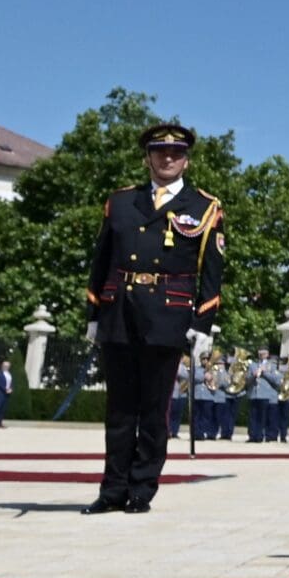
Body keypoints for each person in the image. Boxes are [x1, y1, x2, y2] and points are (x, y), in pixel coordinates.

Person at [81, 122, 225, 513]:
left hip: (168, 315)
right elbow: (101, 260)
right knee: (120, 409)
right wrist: (94, 312)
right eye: (159, 152)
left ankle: (142, 489)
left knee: (153, 411)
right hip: (120, 311)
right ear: (147, 157)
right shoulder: (121, 201)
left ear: (186, 161)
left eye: (175, 153)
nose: (167, 158)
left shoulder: (204, 207)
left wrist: (203, 323)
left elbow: (212, 272)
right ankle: (112, 490)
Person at [248, 348, 282, 443]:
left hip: (265, 394)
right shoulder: (253, 365)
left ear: (267, 354)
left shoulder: (272, 366)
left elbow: (277, 381)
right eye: (260, 353)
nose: (261, 355)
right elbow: (247, 379)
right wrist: (253, 375)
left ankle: (259, 436)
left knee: (261, 417)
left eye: (264, 353)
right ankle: (252, 436)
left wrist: (264, 373)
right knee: (252, 416)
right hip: (254, 394)